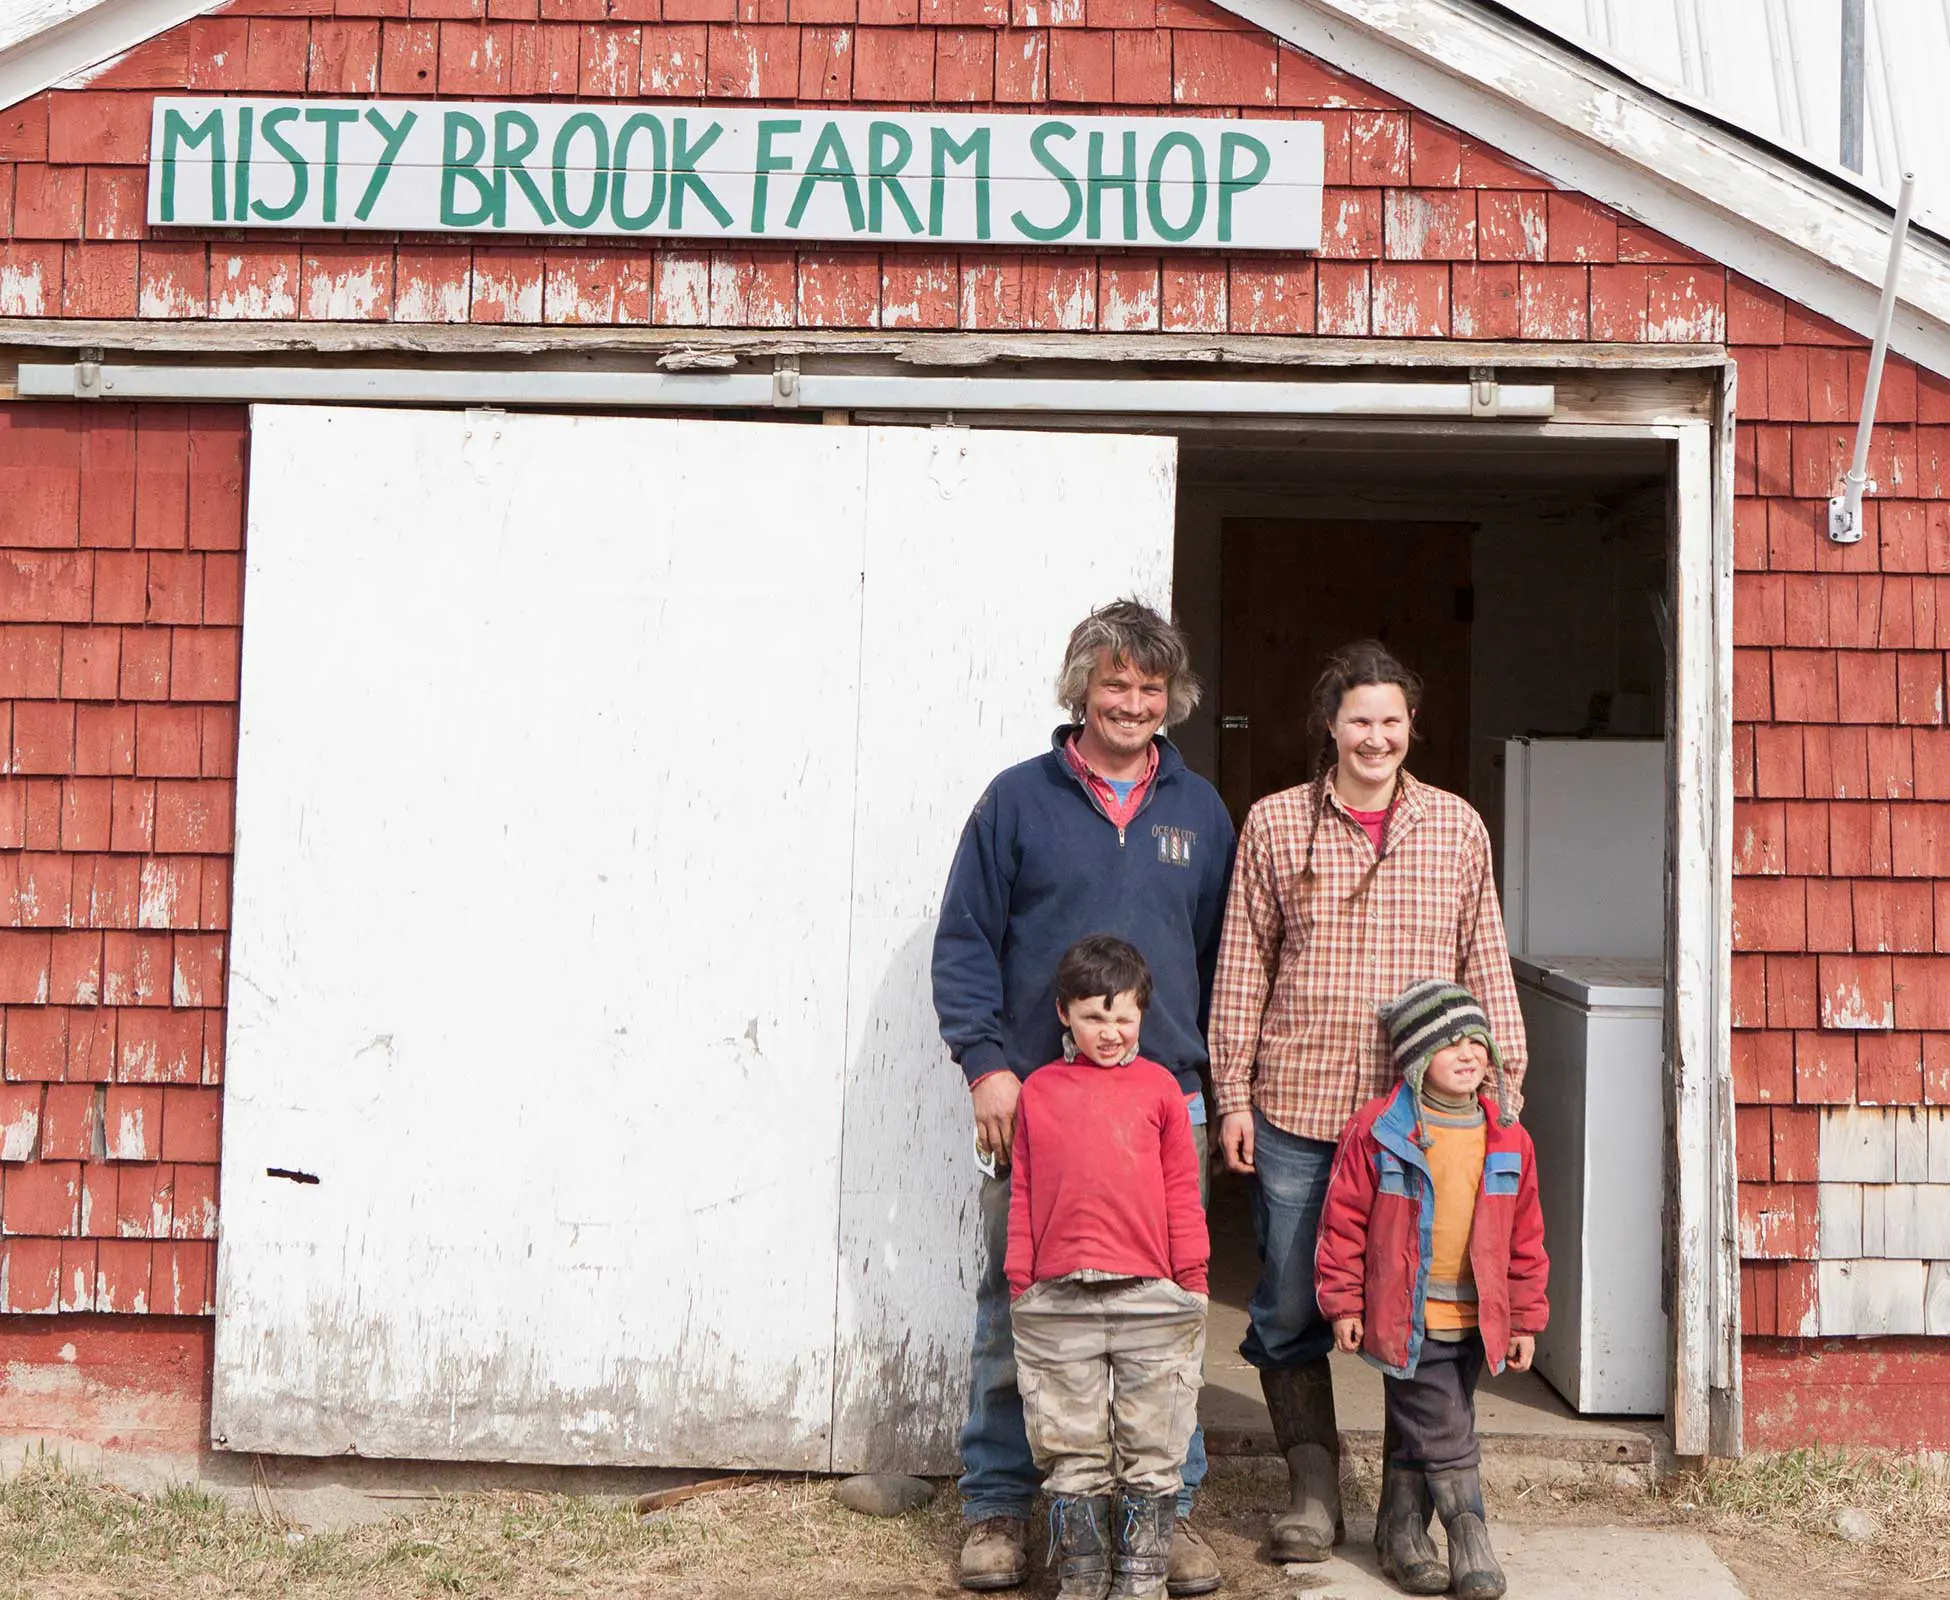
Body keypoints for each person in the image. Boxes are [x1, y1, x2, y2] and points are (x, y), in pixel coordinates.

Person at [933, 599, 1236, 1596]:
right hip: (1040, 1107)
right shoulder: (1017, 802)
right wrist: (988, 1064)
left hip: (1165, 1106)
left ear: (1171, 697)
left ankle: (1167, 1514)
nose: (1133, 703)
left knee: (1169, 1314)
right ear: (1081, 690)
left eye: (1151, 687)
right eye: (1115, 684)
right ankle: (996, 1504)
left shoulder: (1200, 812)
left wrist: (1207, 1082)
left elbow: (1218, 959)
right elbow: (965, 941)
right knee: (1018, 1302)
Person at [1206, 640, 1527, 1564]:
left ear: (1410, 724)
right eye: (1359, 721)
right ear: (1331, 726)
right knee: (1289, 1302)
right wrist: (1233, 1094)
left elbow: (1485, 959)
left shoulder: (1456, 827)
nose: (1376, 738)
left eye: (1391, 721)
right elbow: (1242, 964)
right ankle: (1312, 1494)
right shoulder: (1275, 823)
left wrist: (1504, 1085)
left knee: (1417, 1308)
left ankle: (1403, 1514)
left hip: (1420, 1123)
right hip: (1299, 1105)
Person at [1315, 980, 1548, 1600]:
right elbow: (1342, 1222)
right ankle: (1470, 1538)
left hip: (1478, 1319)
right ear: (1417, 1057)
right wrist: (1343, 1302)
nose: (1467, 1053)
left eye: (1476, 1040)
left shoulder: (1508, 1137)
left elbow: (1526, 1236)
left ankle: (1400, 1537)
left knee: (1423, 1427)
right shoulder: (1381, 1130)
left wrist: (1524, 1318)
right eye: (1448, 1044)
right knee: (1446, 1430)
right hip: (1408, 1316)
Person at [1008, 936, 1210, 1600]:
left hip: (1152, 1297)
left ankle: (1142, 1578)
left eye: (1124, 1017)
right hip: (1057, 1299)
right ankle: (1082, 1574)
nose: (1110, 1032)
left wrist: (1192, 1281)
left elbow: (1182, 1189)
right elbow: (1024, 1190)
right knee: (1071, 1442)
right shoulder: (1039, 1092)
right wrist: (1022, 1281)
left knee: (1153, 1440)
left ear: (1143, 1014)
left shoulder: (1160, 1090)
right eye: (1095, 1017)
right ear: (1064, 1012)